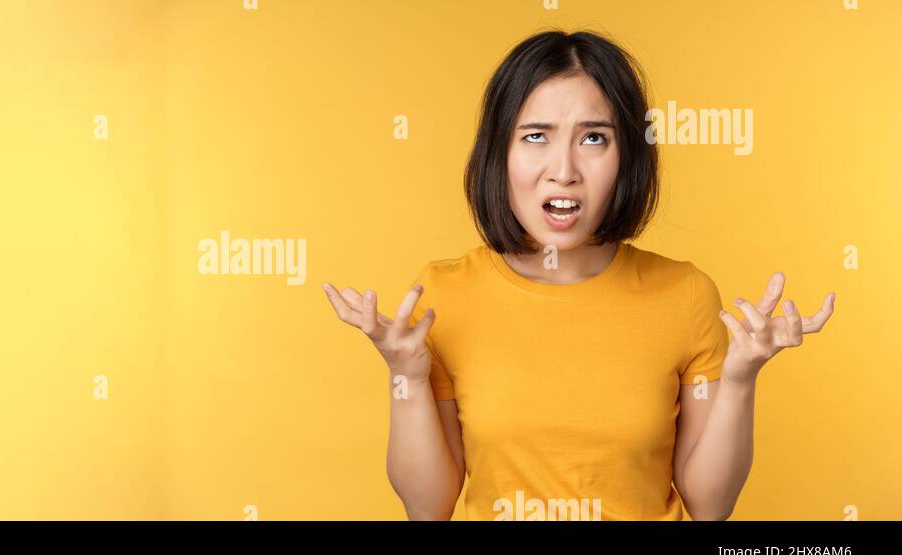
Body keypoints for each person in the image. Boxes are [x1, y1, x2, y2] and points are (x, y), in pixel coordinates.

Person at [322, 30, 836, 521]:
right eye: (535, 136)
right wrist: (406, 379)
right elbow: (426, 507)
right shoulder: (445, 296)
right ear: (499, 154)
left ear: (627, 156)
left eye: (593, 137)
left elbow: (710, 505)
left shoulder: (686, 294)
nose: (563, 169)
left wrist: (741, 379)